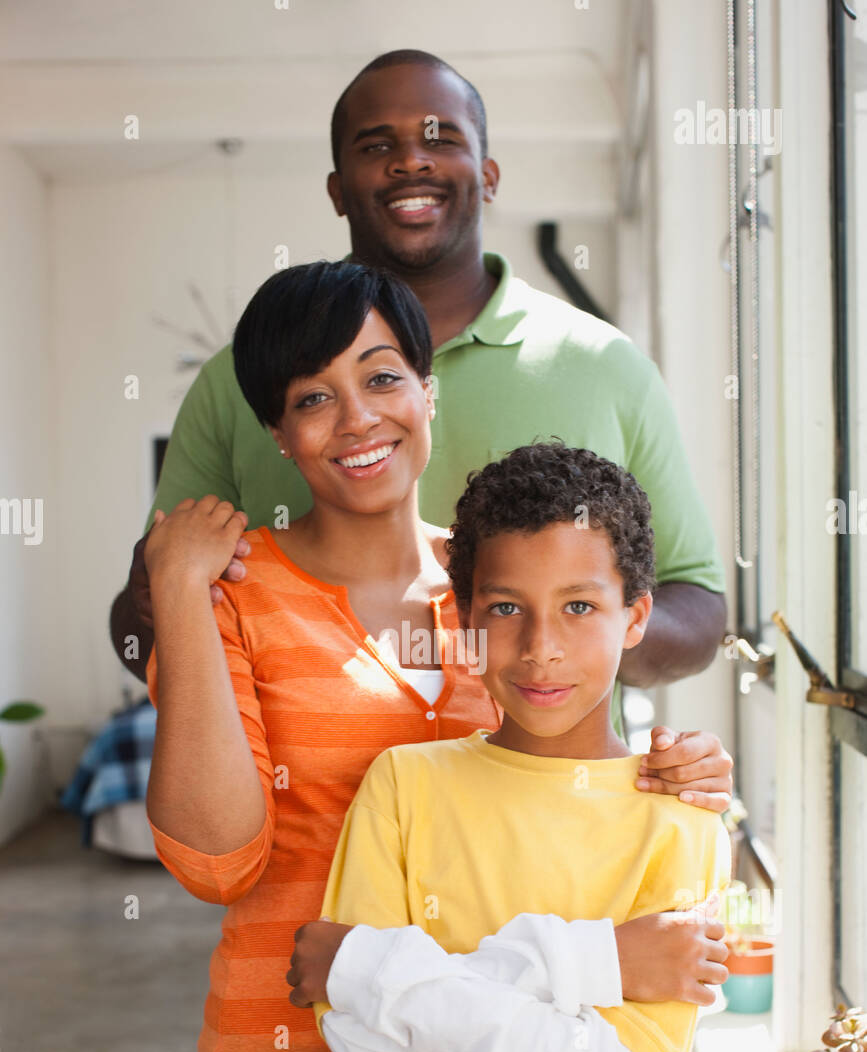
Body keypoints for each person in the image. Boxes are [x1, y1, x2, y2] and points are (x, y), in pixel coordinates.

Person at [143, 262, 731, 1052]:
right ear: (278, 435)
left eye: (381, 377)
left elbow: (558, 779)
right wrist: (179, 590)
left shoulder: (504, 582)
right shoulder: (237, 599)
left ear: (428, 390)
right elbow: (217, 858)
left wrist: (668, 765)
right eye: (311, 397)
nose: (355, 417)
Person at [110, 47, 727, 740]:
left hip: (534, 821)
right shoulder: (236, 379)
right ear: (338, 189)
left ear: (488, 176)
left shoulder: (603, 363)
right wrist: (161, 591)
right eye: (376, 145)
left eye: (441, 138)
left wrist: (565, 630)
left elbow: (697, 605)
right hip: (308, 825)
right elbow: (142, 627)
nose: (410, 161)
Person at [296, 445, 730, 1052]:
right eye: (504, 608)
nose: (539, 648)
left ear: (635, 616)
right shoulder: (404, 786)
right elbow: (357, 1039)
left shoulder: (677, 815)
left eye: (578, 607)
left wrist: (390, 980)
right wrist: (592, 964)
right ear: (460, 618)